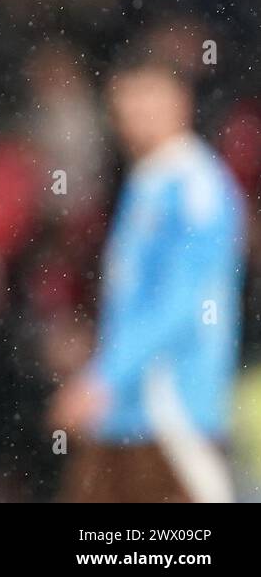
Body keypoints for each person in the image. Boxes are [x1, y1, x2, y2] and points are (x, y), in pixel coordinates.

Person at [51, 51, 246, 502]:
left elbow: (182, 302)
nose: (136, 112)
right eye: (126, 100)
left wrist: (104, 377)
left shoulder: (195, 186)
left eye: (149, 96)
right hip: (128, 412)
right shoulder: (148, 183)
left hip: (169, 406)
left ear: (183, 101)